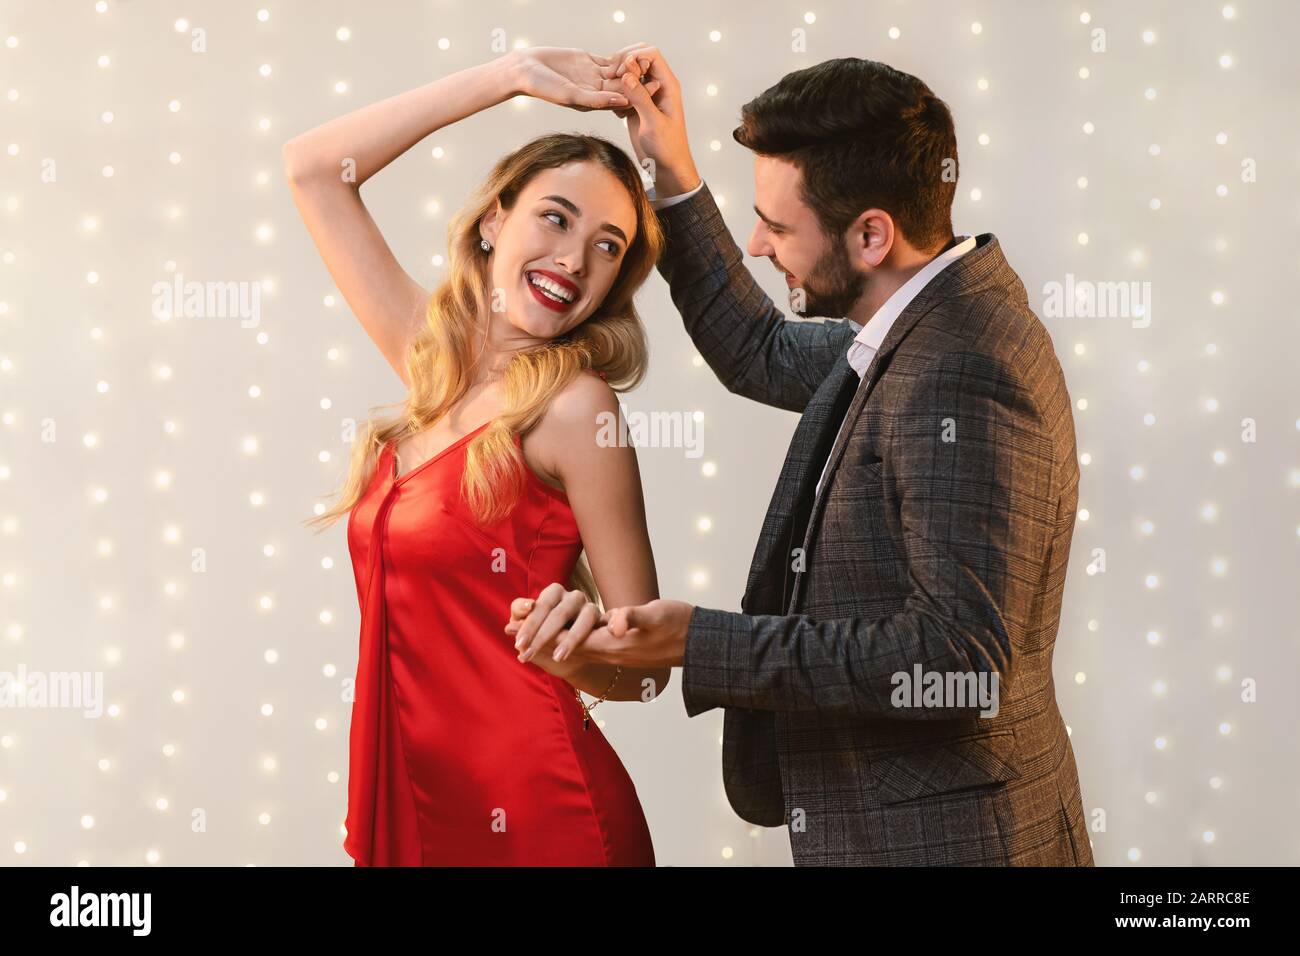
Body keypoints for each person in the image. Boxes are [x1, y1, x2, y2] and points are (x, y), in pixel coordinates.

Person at [510, 47, 1094, 866]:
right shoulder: (909, 326)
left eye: (778, 226)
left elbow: (959, 660)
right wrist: (670, 168)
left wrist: (698, 642)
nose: (756, 243)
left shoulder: (962, 366)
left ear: (869, 235)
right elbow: (757, 348)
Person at [285, 47, 672, 866]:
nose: (573, 260)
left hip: (546, 819)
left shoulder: (576, 409)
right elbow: (315, 170)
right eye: (556, 218)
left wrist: (579, 651)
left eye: (608, 247)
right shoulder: (430, 360)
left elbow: (645, 673)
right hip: (417, 808)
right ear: (495, 220)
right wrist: (511, 74)